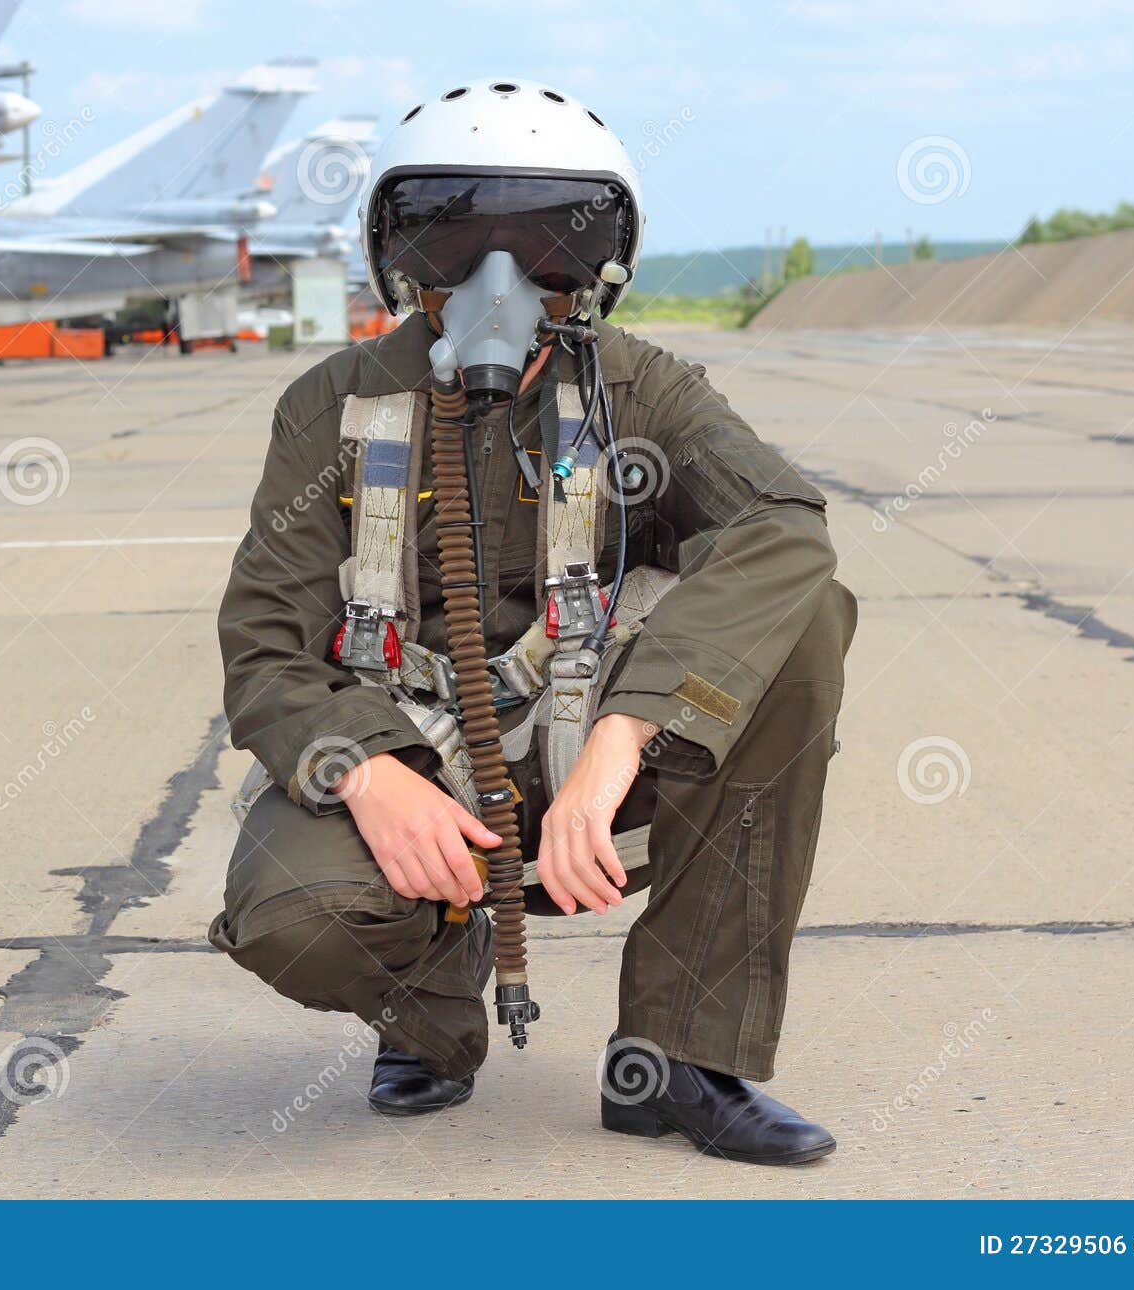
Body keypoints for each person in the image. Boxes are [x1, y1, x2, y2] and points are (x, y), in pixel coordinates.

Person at [210, 78, 856, 1165]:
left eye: (545, 242)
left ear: (599, 264)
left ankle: (679, 1057)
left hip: (592, 764)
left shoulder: (642, 394)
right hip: (416, 763)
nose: (497, 280)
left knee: (804, 617)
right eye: (458, 237)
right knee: (295, 914)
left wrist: (624, 738)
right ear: (401, 254)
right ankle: (426, 1006)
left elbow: (783, 527)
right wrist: (368, 778)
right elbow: (264, 648)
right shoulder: (331, 410)